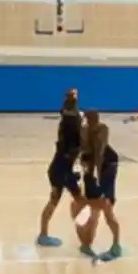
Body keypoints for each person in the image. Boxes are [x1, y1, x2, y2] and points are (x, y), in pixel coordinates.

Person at [73, 110, 122, 261]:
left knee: (106, 208)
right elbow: (83, 154)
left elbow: (99, 153)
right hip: (92, 171)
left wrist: (98, 177)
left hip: (107, 168)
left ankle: (116, 245)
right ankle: (86, 244)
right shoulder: (84, 132)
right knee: (93, 211)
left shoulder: (102, 130)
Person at [37, 91, 84, 247]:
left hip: (59, 170)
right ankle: (83, 234)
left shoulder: (66, 121)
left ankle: (43, 234)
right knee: (75, 201)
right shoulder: (73, 129)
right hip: (61, 172)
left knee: (73, 200)